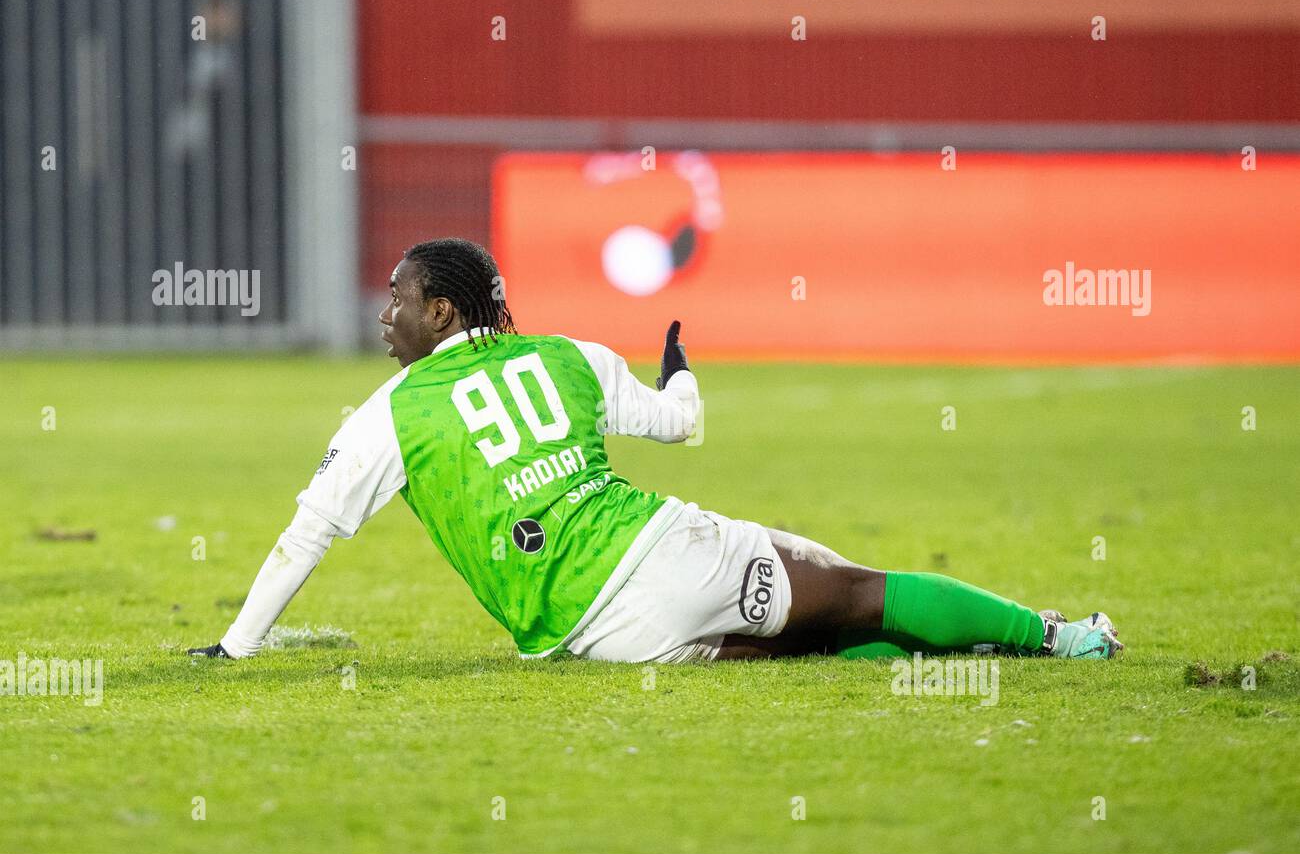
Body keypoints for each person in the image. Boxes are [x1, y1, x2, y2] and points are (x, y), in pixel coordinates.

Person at [189, 238, 1122, 664]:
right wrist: (681, 374)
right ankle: (1056, 636)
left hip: (580, 638)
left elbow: (305, 535)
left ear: (440, 313)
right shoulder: (568, 357)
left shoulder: (387, 413)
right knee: (850, 588)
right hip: (653, 554)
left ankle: (1004, 645)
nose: (382, 311)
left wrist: (235, 649)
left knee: (797, 643)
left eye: (396, 295)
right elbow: (681, 425)